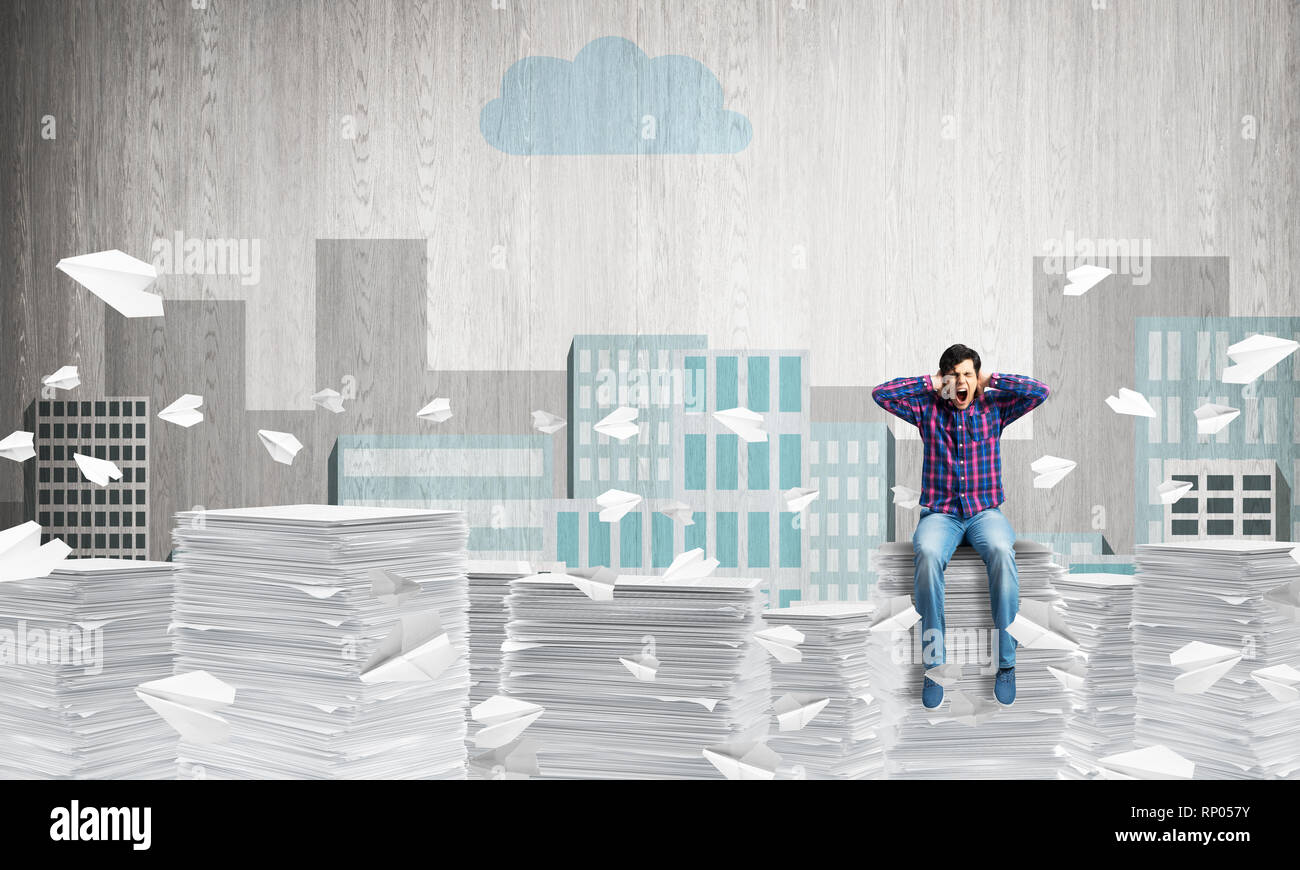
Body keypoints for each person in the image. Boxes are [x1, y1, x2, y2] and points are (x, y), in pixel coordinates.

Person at [871, 344, 1050, 709]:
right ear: (944, 381)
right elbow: (881, 395)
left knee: (1002, 551)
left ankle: (1007, 663)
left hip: (985, 512)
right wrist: (932, 381)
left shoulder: (994, 407)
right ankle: (935, 666)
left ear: (978, 378)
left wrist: (991, 379)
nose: (961, 383)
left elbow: (1040, 391)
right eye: (954, 377)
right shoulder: (927, 408)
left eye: (968, 374)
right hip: (941, 513)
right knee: (928, 552)